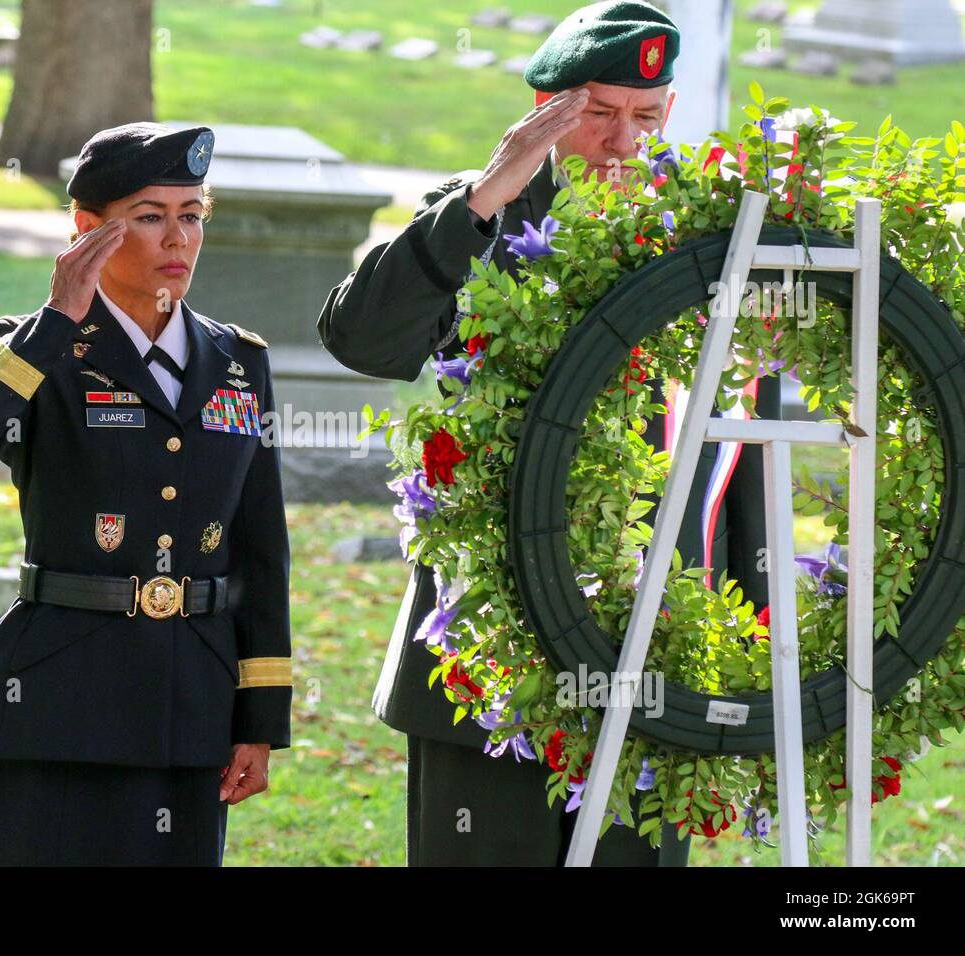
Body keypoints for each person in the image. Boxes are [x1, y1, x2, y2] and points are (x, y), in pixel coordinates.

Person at [317, 0, 778, 866]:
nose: (622, 140)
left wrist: (746, 647)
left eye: (645, 117)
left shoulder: (702, 242)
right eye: (598, 113)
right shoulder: (480, 224)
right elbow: (364, 340)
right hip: (496, 651)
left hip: (656, 646)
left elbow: (733, 457)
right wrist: (488, 190)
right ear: (543, 109)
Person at [0, 122, 293, 866]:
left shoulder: (239, 361)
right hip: (55, 692)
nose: (176, 239)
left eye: (192, 215)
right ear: (87, 231)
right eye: (150, 217)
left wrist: (259, 717)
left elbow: (261, 549)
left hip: (190, 700)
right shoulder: (37, 346)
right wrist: (57, 318)